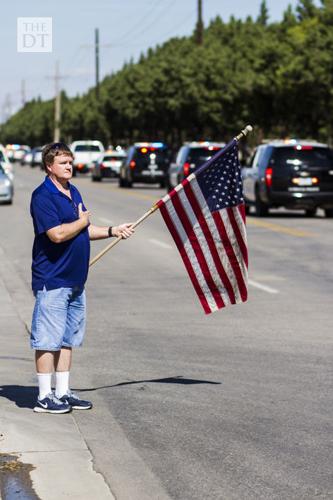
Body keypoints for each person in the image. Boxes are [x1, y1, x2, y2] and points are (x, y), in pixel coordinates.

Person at [30, 142, 134, 413]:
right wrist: (82, 221)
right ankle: (44, 397)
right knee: (47, 340)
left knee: (66, 339)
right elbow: (57, 234)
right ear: (49, 166)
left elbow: (83, 230)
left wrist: (113, 230)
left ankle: (62, 392)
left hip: (76, 279)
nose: (69, 166)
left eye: (70, 161)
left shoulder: (72, 191)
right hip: (52, 279)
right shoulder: (42, 196)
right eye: (63, 162)